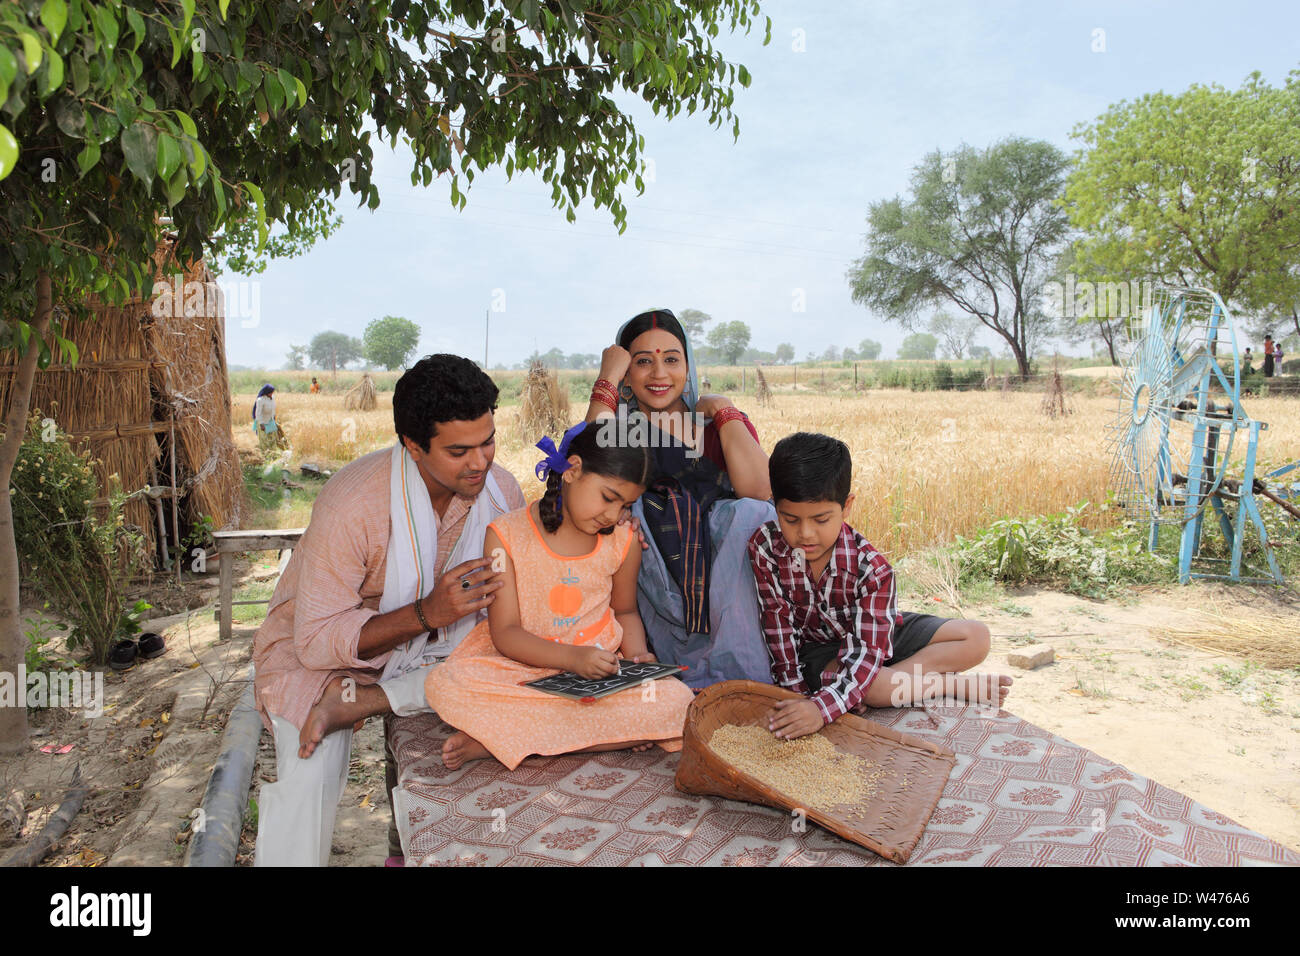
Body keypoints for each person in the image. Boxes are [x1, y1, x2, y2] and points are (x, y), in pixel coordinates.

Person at [251, 354, 525, 866]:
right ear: (413, 446)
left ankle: (369, 699)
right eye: (459, 450)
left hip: (444, 649)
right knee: (308, 774)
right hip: (322, 654)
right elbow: (314, 641)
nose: (481, 462)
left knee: (514, 691)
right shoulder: (353, 503)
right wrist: (426, 614)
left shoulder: (500, 492)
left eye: (488, 440)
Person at [426, 421, 694, 770]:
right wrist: (571, 659)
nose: (613, 515)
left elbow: (625, 612)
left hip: (598, 672)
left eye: (626, 504)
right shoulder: (504, 536)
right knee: (448, 683)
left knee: (677, 700)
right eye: (609, 498)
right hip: (521, 667)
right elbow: (505, 633)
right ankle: (609, 734)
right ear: (573, 470)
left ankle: (505, 738)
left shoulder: (623, 541)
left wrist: (638, 656)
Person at [748, 432, 1011, 741]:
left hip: (870, 633)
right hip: (817, 650)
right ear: (774, 506)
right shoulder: (766, 547)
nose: (805, 534)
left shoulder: (873, 569)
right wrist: (797, 696)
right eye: (790, 519)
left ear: (846, 507)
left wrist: (822, 709)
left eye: (821, 519)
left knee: (976, 636)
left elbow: (868, 648)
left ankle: (911, 682)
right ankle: (944, 684)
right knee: (871, 687)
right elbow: (778, 629)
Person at [584, 308, 775, 688]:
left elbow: (761, 494)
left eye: (671, 359)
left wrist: (723, 409)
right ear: (626, 373)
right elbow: (591, 465)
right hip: (653, 588)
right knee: (632, 508)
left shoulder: (718, 426)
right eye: (642, 362)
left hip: (731, 588)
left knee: (750, 513)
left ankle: (736, 668)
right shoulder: (621, 431)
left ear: (688, 366)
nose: (659, 375)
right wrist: (607, 376)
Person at [252, 383, 287, 453]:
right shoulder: (260, 400)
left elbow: (273, 409)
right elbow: (258, 413)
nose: (271, 394)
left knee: (274, 438)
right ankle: (265, 454)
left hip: (270, 420)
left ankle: (273, 453)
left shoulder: (272, 398)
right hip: (262, 421)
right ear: (266, 392)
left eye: (272, 392)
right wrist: (261, 424)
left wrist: (274, 418)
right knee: (264, 440)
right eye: (270, 392)